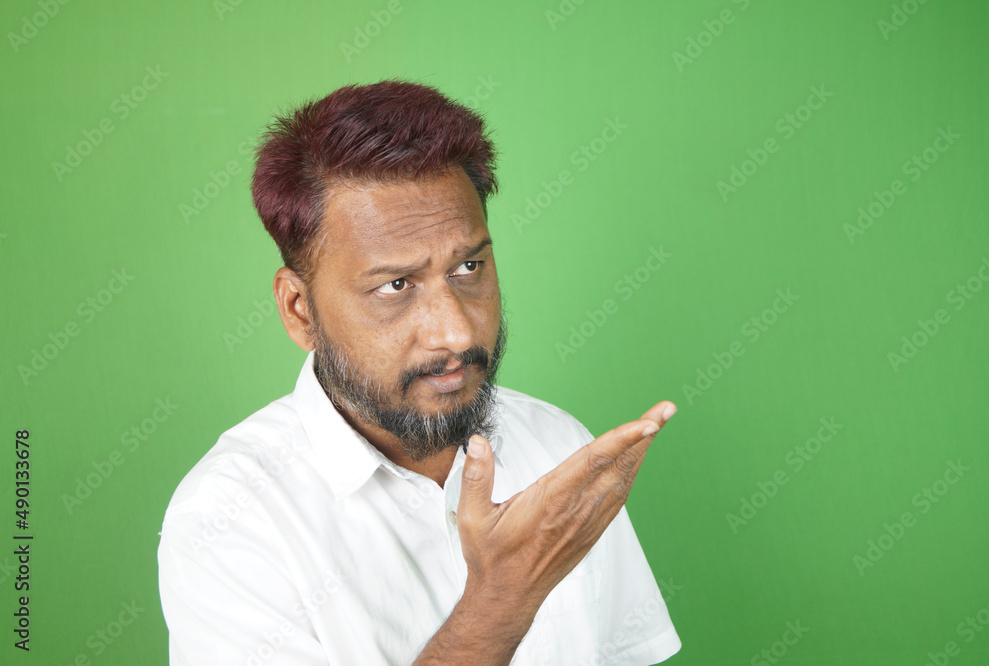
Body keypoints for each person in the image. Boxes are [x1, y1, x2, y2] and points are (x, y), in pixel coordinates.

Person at [157, 79, 681, 665]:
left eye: (467, 267)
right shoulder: (230, 518)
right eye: (395, 286)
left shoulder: (559, 447)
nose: (456, 333)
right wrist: (502, 601)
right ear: (300, 311)